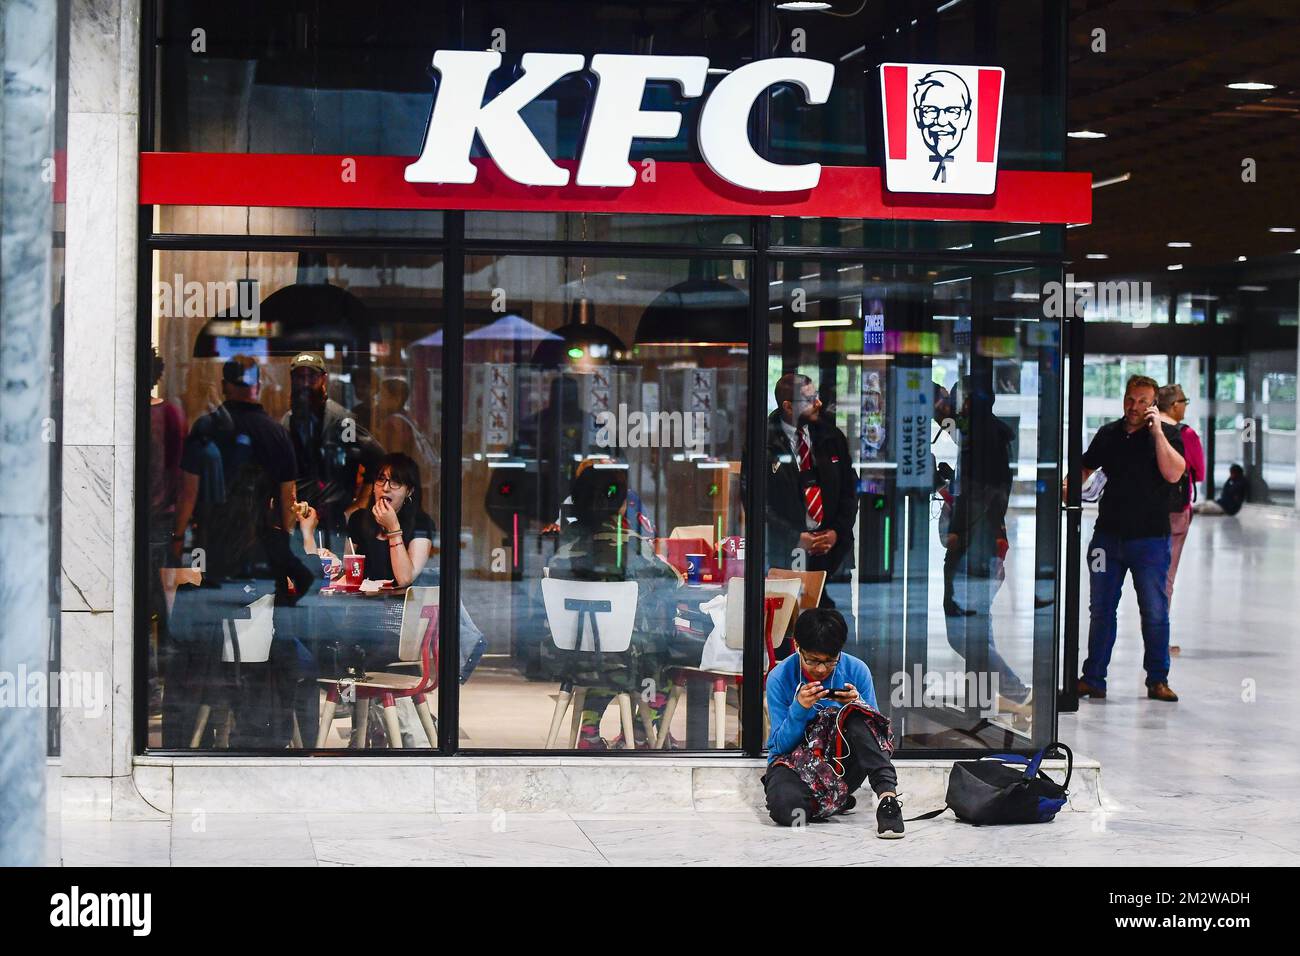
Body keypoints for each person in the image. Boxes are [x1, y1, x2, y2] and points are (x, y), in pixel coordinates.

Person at [166, 355, 316, 748]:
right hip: (261, 558)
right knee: (262, 642)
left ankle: (200, 728)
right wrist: (282, 546)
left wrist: (177, 540)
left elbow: (188, 493)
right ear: (259, 385)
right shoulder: (275, 434)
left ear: (225, 382)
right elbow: (288, 502)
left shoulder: (208, 427)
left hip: (212, 553)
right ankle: (258, 727)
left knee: (206, 643)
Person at [544, 465, 680, 749]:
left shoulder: (564, 549)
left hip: (571, 654)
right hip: (623, 656)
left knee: (602, 650)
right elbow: (669, 581)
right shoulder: (630, 545)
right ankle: (642, 733)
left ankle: (589, 733)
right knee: (664, 656)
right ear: (621, 506)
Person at [1075, 375, 1186, 703]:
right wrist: (1066, 487)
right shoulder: (1109, 434)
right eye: (1130, 400)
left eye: (1142, 401)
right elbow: (1084, 467)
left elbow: (1173, 472)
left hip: (1150, 540)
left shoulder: (1167, 434)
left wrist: (1156, 432)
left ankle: (1157, 679)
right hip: (1108, 536)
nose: (1134, 407)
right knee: (1101, 610)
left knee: (1154, 610)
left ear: (1153, 404)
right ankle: (1093, 677)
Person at [763, 608, 904, 838]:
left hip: (842, 763)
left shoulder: (856, 670)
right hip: (797, 764)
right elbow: (779, 747)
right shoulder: (780, 677)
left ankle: (888, 800)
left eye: (830, 661)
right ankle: (835, 799)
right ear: (797, 645)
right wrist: (799, 709)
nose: (820, 669)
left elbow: (879, 741)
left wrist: (858, 706)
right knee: (788, 812)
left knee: (860, 717)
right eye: (812, 660)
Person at [756, 373, 858, 604]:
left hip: (833, 553)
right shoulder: (764, 442)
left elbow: (849, 492)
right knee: (787, 624)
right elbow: (757, 504)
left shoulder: (831, 437)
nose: (818, 404)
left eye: (817, 397)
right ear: (788, 407)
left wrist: (836, 532)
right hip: (784, 553)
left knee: (833, 622)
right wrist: (795, 537)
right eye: (810, 399)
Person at [283, 351, 384, 552]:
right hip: (300, 523)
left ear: (323, 379)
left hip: (334, 524)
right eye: (299, 377)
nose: (304, 383)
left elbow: (379, 459)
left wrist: (360, 503)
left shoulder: (341, 421)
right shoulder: (288, 421)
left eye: (311, 376)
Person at [1156, 383, 1204, 654]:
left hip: (1147, 512)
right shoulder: (1185, 434)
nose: (1186, 406)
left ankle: (1151, 633)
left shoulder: (1147, 429)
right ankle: (1159, 639)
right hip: (1176, 513)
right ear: (1174, 406)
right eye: (1184, 401)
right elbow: (1198, 472)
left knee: (1150, 575)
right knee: (1167, 578)